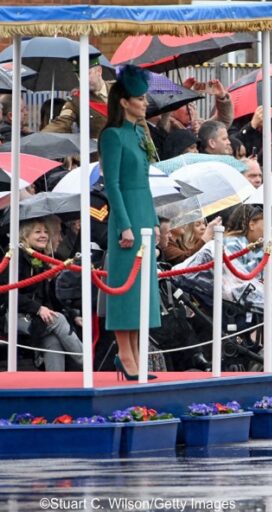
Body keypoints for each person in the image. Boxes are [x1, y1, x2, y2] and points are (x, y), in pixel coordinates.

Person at [99, 65, 163, 380]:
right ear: (124, 102)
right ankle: (124, 354)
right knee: (125, 288)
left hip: (142, 213)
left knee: (141, 289)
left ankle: (136, 355)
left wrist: (154, 222)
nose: (145, 102)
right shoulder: (111, 135)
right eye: (139, 98)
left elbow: (145, 182)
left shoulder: (139, 133)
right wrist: (124, 224)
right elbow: (112, 185)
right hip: (125, 216)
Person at [1, 220, 84, 371]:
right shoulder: (15, 256)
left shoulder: (41, 259)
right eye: (38, 232)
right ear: (25, 235)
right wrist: (38, 308)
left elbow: (50, 298)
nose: (44, 235)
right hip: (14, 316)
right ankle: (86, 362)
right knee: (58, 320)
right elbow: (7, 293)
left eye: (46, 232)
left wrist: (73, 316)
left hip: (37, 317)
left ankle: (57, 387)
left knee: (53, 342)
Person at [43, 57, 110, 139]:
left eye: (87, 73)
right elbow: (61, 123)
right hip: (99, 150)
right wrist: (39, 138)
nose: (83, 80)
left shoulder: (119, 89)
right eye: (79, 76)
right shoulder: (76, 100)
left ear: (99, 71)